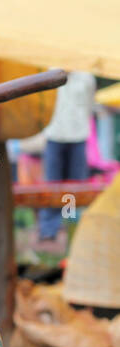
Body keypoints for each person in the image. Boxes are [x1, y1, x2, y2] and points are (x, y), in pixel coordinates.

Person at [38, 70, 98, 247]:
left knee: (74, 185)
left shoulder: (86, 77)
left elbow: (89, 105)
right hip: (54, 134)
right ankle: (49, 230)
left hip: (78, 135)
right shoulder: (50, 72)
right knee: (52, 184)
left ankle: (70, 225)